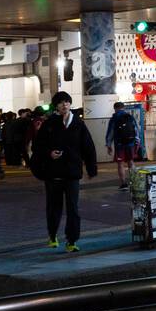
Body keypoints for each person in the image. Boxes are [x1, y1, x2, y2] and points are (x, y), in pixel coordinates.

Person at [30, 92, 98, 252]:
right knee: (54, 207)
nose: (64, 105)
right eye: (61, 103)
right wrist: (49, 153)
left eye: (67, 102)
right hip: (53, 173)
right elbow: (37, 146)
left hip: (72, 173)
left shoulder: (78, 124)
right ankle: (52, 235)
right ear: (56, 106)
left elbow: (88, 147)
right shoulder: (49, 124)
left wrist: (91, 169)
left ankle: (72, 240)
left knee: (73, 208)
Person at [105, 101, 139, 190]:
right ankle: (135, 182)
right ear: (123, 108)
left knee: (120, 164)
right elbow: (136, 130)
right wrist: (137, 143)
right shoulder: (130, 117)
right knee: (131, 162)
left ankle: (124, 184)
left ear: (115, 108)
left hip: (119, 144)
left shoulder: (114, 118)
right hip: (130, 143)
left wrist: (109, 145)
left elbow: (110, 133)